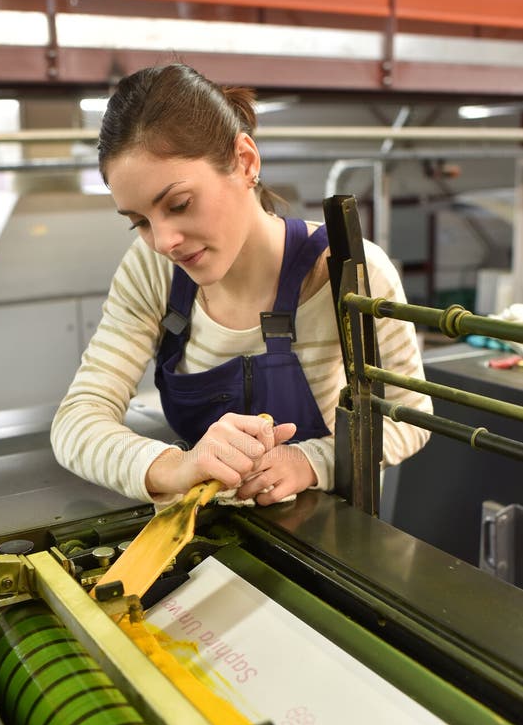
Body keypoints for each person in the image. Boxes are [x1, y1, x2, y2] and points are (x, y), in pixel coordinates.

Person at [51, 62, 431, 507]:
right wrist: (176, 467)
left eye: (179, 204)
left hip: (330, 534)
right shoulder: (152, 272)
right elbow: (78, 418)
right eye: (140, 222)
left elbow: (412, 418)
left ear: (245, 162)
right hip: (206, 530)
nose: (164, 242)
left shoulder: (348, 273)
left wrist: (311, 460)